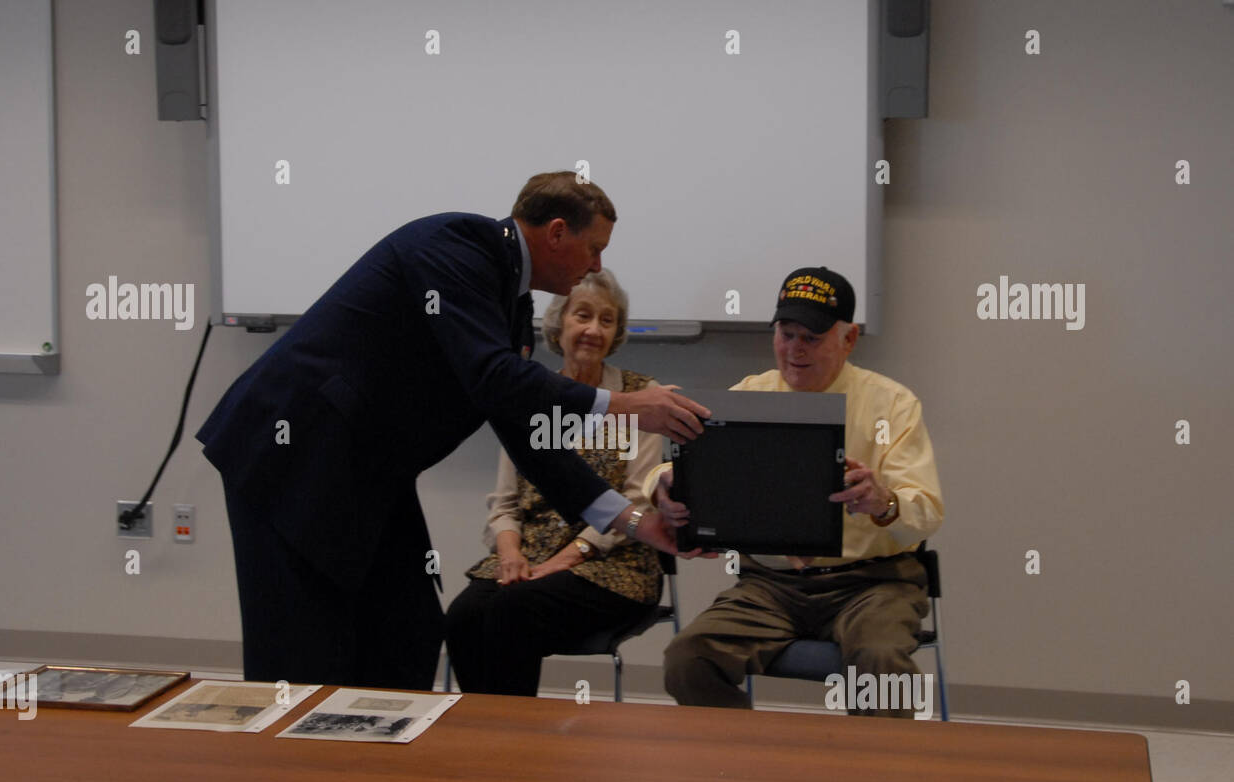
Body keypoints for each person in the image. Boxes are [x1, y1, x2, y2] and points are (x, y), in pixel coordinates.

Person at [196, 172, 709, 691]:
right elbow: (494, 375)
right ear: (556, 232)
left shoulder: (509, 301)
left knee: (408, 633)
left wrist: (636, 523)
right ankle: (298, 770)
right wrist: (623, 405)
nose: (597, 264)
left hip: (367, 472)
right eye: (593, 248)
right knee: (302, 653)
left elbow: (527, 434)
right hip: (294, 457)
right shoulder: (453, 248)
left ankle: (384, 767)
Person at [647, 267, 944, 718]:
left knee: (882, 667)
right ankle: (750, 771)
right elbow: (683, 466)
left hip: (872, 585)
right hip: (770, 585)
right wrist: (661, 486)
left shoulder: (893, 405)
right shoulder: (751, 394)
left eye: (812, 338)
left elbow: (926, 511)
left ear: (850, 339)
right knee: (688, 658)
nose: (795, 350)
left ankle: (884, 781)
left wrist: (883, 501)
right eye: (787, 334)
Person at [445, 269, 663, 695]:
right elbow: (504, 504)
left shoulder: (640, 396)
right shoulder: (529, 394)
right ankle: (484, 736)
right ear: (559, 323)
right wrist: (510, 555)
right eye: (583, 316)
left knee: (513, 610)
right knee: (463, 615)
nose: (593, 330)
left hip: (614, 564)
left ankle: (520, 743)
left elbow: (640, 499)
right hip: (529, 560)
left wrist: (564, 559)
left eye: (606, 320)